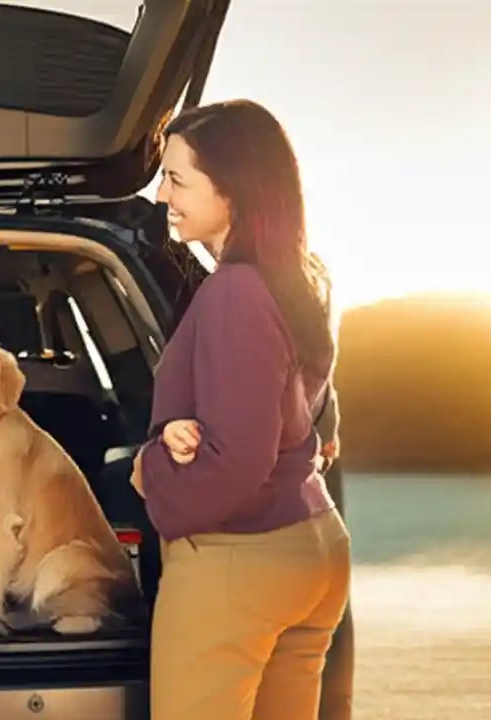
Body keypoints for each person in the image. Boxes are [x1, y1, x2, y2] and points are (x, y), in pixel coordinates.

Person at [127, 99, 351, 720]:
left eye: (177, 179)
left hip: (240, 562)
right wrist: (179, 427)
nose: (163, 195)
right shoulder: (297, 279)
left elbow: (238, 462)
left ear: (234, 191)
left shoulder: (235, 292)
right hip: (313, 547)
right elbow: (299, 416)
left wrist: (152, 471)